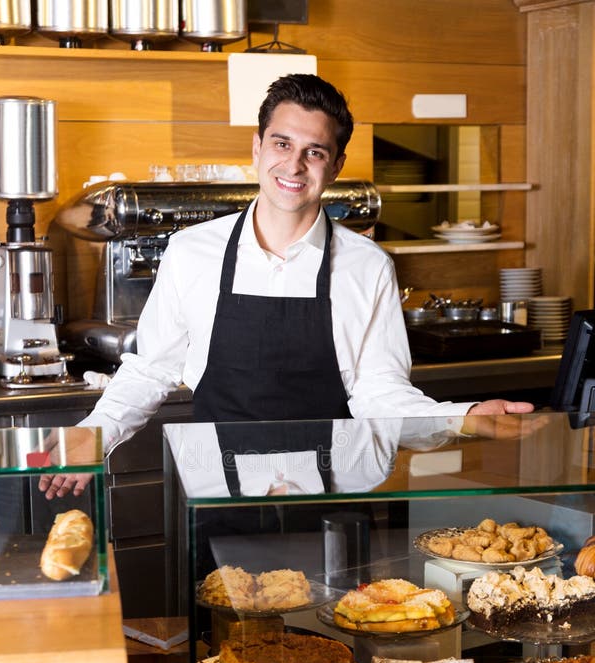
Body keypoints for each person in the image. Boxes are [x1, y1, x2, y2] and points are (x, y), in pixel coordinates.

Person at [39, 73, 532, 501]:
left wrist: (459, 417)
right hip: (217, 497)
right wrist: (93, 434)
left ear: (335, 165)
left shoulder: (367, 266)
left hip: (336, 496)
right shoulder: (193, 252)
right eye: (282, 144)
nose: (294, 166)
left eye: (314, 152)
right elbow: (151, 369)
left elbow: (378, 394)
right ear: (257, 147)